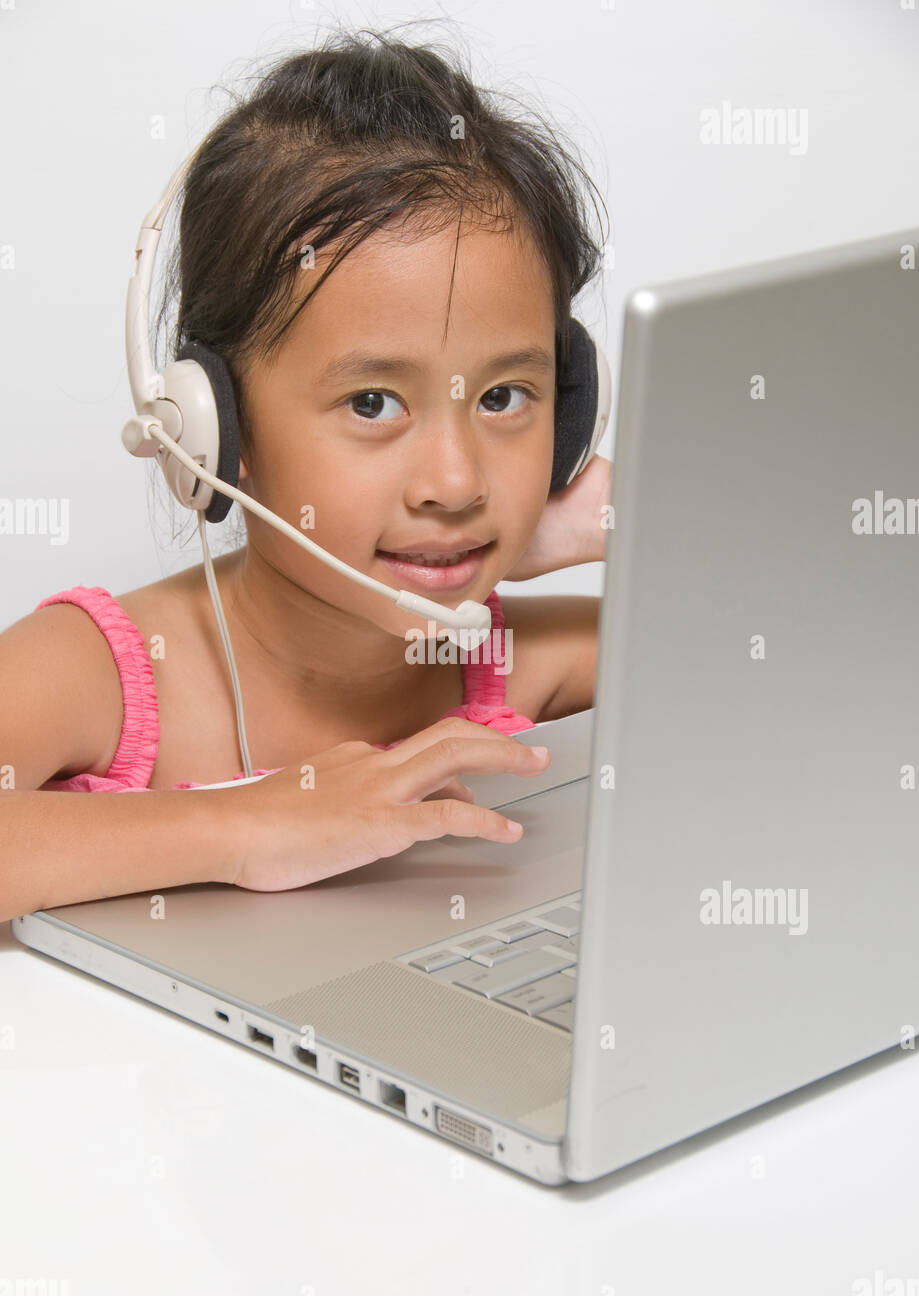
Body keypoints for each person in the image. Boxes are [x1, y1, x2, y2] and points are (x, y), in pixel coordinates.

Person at [0, 29, 611, 921]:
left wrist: (603, 532)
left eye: (504, 396)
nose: (453, 480)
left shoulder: (509, 660)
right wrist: (243, 827)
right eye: (372, 403)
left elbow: (811, 655)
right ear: (212, 428)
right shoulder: (106, 675)